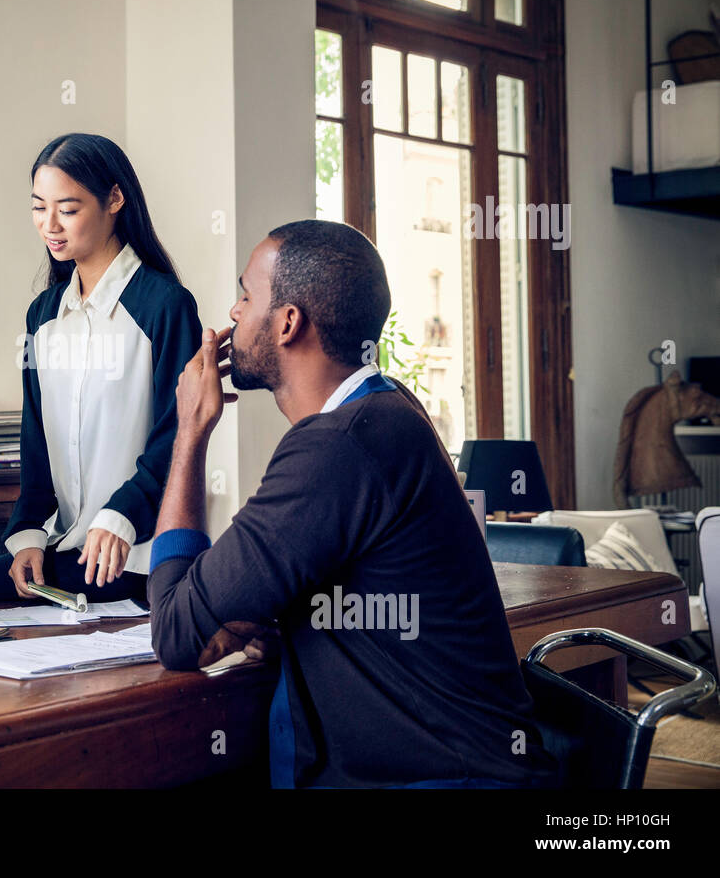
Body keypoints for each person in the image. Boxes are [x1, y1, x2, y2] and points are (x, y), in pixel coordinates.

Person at [147, 219, 555, 788]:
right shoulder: (386, 410)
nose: (234, 313)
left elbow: (174, 630)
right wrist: (282, 617)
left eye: (246, 296)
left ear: (288, 322)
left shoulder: (337, 445)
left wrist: (190, 431)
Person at [0, 133, 202, 606]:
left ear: (115, 199)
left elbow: (179, 431)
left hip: (135, 557)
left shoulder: (165, 305)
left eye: (68, 208)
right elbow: (37, 438)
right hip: (64, 552)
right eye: (39, 208)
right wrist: (27, 534)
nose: (50, 225)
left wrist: (122, 514)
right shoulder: (43, 316)